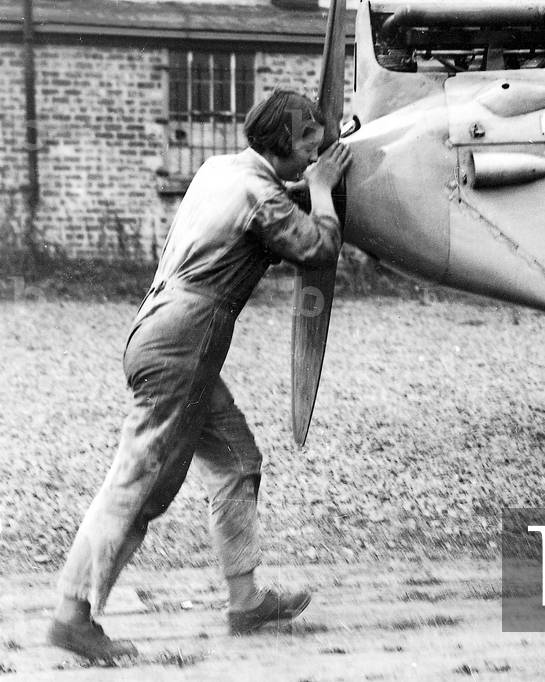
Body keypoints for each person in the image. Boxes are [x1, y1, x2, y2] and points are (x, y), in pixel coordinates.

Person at [48, 89, 353, 663]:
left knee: (237, 459)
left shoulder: (222, 169)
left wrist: (304, 185)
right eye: (309, 134)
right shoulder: (261, 192)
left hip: (162, 332)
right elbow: (318, 247)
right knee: (137, 486)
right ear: (279, 143)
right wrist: (320, 192)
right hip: (185, 344)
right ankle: (72, 615)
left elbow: (266, 206)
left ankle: (245, 601)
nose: (320, 143)